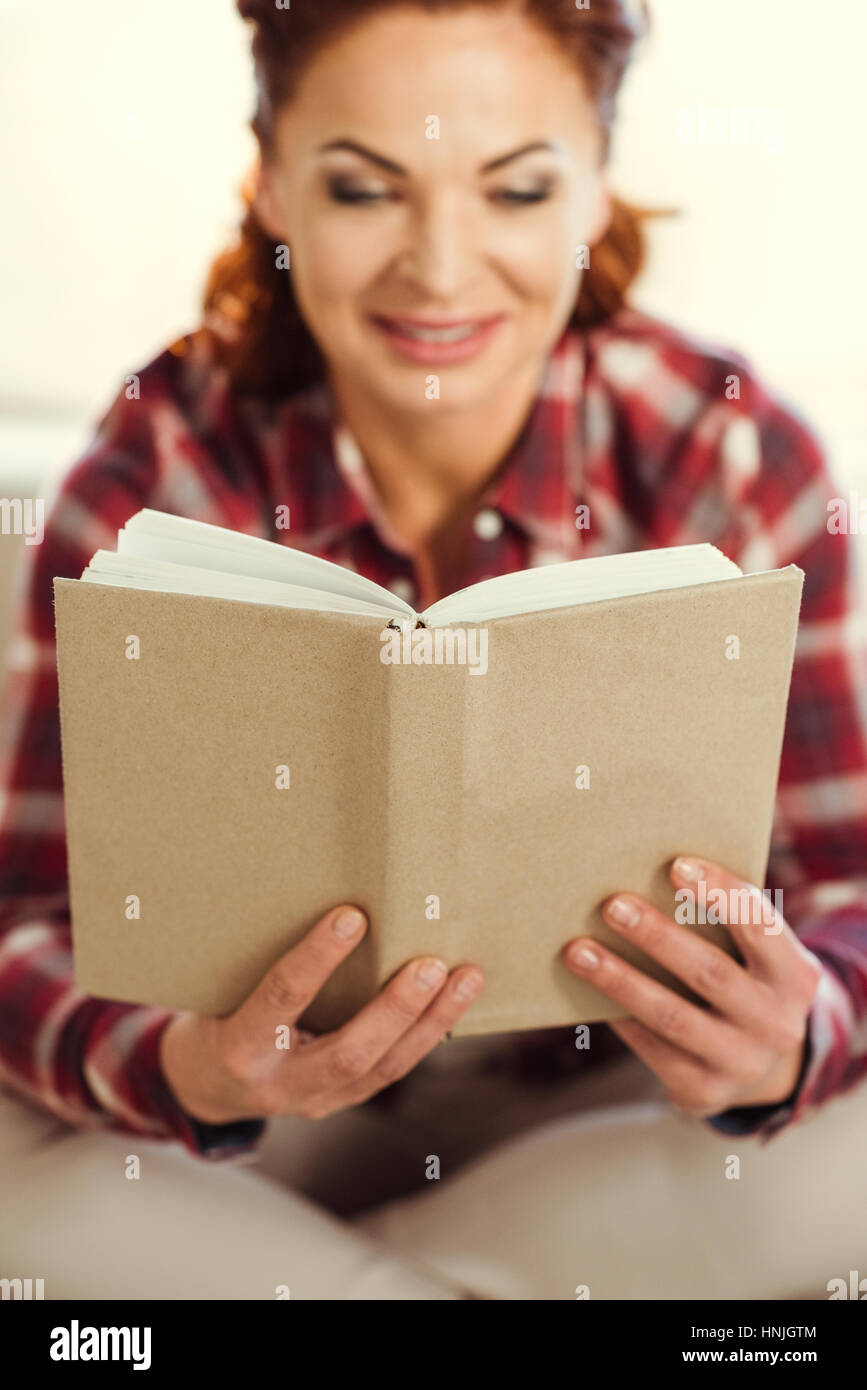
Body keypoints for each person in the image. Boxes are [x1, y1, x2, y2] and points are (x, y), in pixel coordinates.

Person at [1, 0, 865, 1301]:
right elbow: (25, 919)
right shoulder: (153, 469)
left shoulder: (730, 450)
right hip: (265, 1124)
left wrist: (787, 1043)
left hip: (609, 1104)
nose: (443, 269)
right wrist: (191, 1069)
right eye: (364, 189)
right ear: (273, 178)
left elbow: (853, 884)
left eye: (517, 190)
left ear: (592, 188)